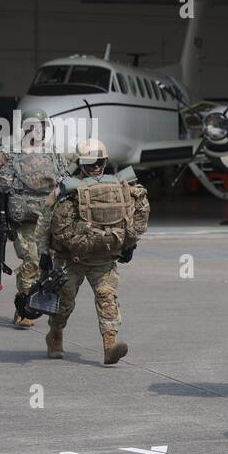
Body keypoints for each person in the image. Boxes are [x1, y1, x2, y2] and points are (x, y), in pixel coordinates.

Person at [34, 139, 150, 365]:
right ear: (80, 163)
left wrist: (129, 243)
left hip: (103, 259)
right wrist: (43, 253)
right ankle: (55, 335)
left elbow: (136, 213)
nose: (95, 167)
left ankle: (110, 345)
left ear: (105, 162)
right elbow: (46, 220)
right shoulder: (67, 189)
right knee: (64, 304)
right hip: (71, 259)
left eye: (99, 162)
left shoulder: (119, 188)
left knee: (107, 298)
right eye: (89, 162)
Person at [0, 110, 63, 328]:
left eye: (43, 126)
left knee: (48, 266)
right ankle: (24, 309)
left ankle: (42, 305)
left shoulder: (54, 155)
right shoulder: (8, 155)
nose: (39, 131)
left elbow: (63, 184)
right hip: (23, 222)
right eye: (35, 126)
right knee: (31, 262)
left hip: (49, 222)